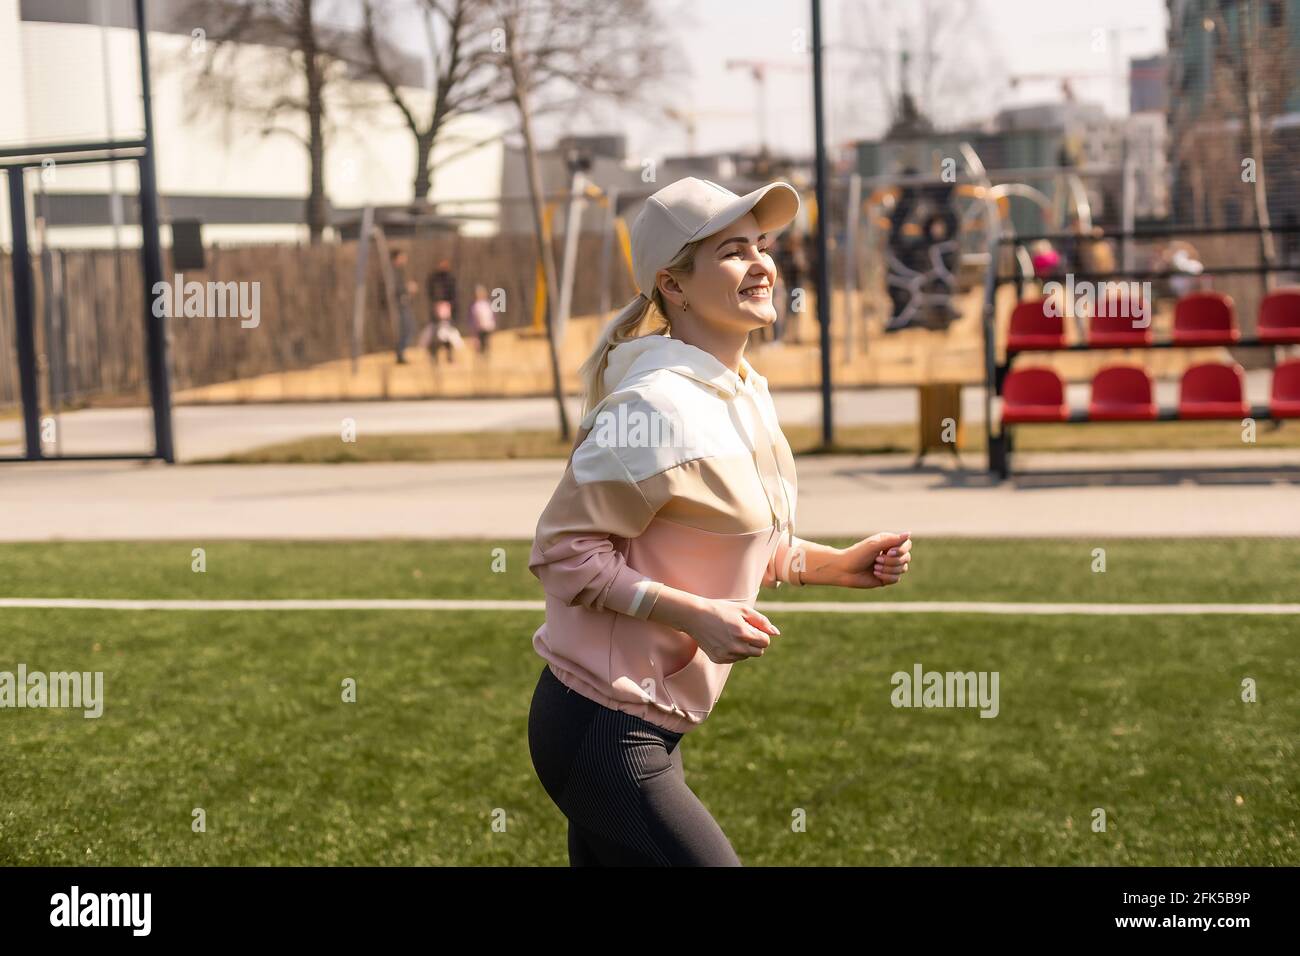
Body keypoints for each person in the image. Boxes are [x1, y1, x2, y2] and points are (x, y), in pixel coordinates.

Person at [526, 176, 915, 866]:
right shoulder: (655, 406)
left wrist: (834, 566)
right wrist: (694, 615)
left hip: (640, 722)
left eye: (762, 246)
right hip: (602, 730)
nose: (762, 263)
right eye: (733, 251)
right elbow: (562, 554)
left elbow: (733, 544)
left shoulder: (740, 392)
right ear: (673, 285)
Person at [425, 258, 459, 363]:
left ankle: (449, 355)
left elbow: (454, 294)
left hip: (448, 309)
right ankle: (434, 355)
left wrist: (452, 307)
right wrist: (436, 304)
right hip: (437, 309)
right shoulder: (433, 279)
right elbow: (430, 293)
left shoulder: (450, 278)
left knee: (447, 334)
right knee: (436, 334)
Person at [389, 248, 417, 364]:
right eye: (402, 256)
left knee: (409, 328)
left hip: (403, 303)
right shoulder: (392, 272)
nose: (405, 259)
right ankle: (399, 353)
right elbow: (394, 289)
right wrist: (407, 288)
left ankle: (401, 353)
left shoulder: (399, 271)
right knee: (406, 329)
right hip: (399, 305)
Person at [469, 283, 496, 356]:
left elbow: (492, 315)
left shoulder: (487, 304)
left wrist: (492, 324)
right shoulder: (475, 305)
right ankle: (480, 358)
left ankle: (486, 357)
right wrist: (473, 328)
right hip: (478, 329)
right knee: (479, 345)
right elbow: (472, 318)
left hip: (487, 327)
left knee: (486, 344)